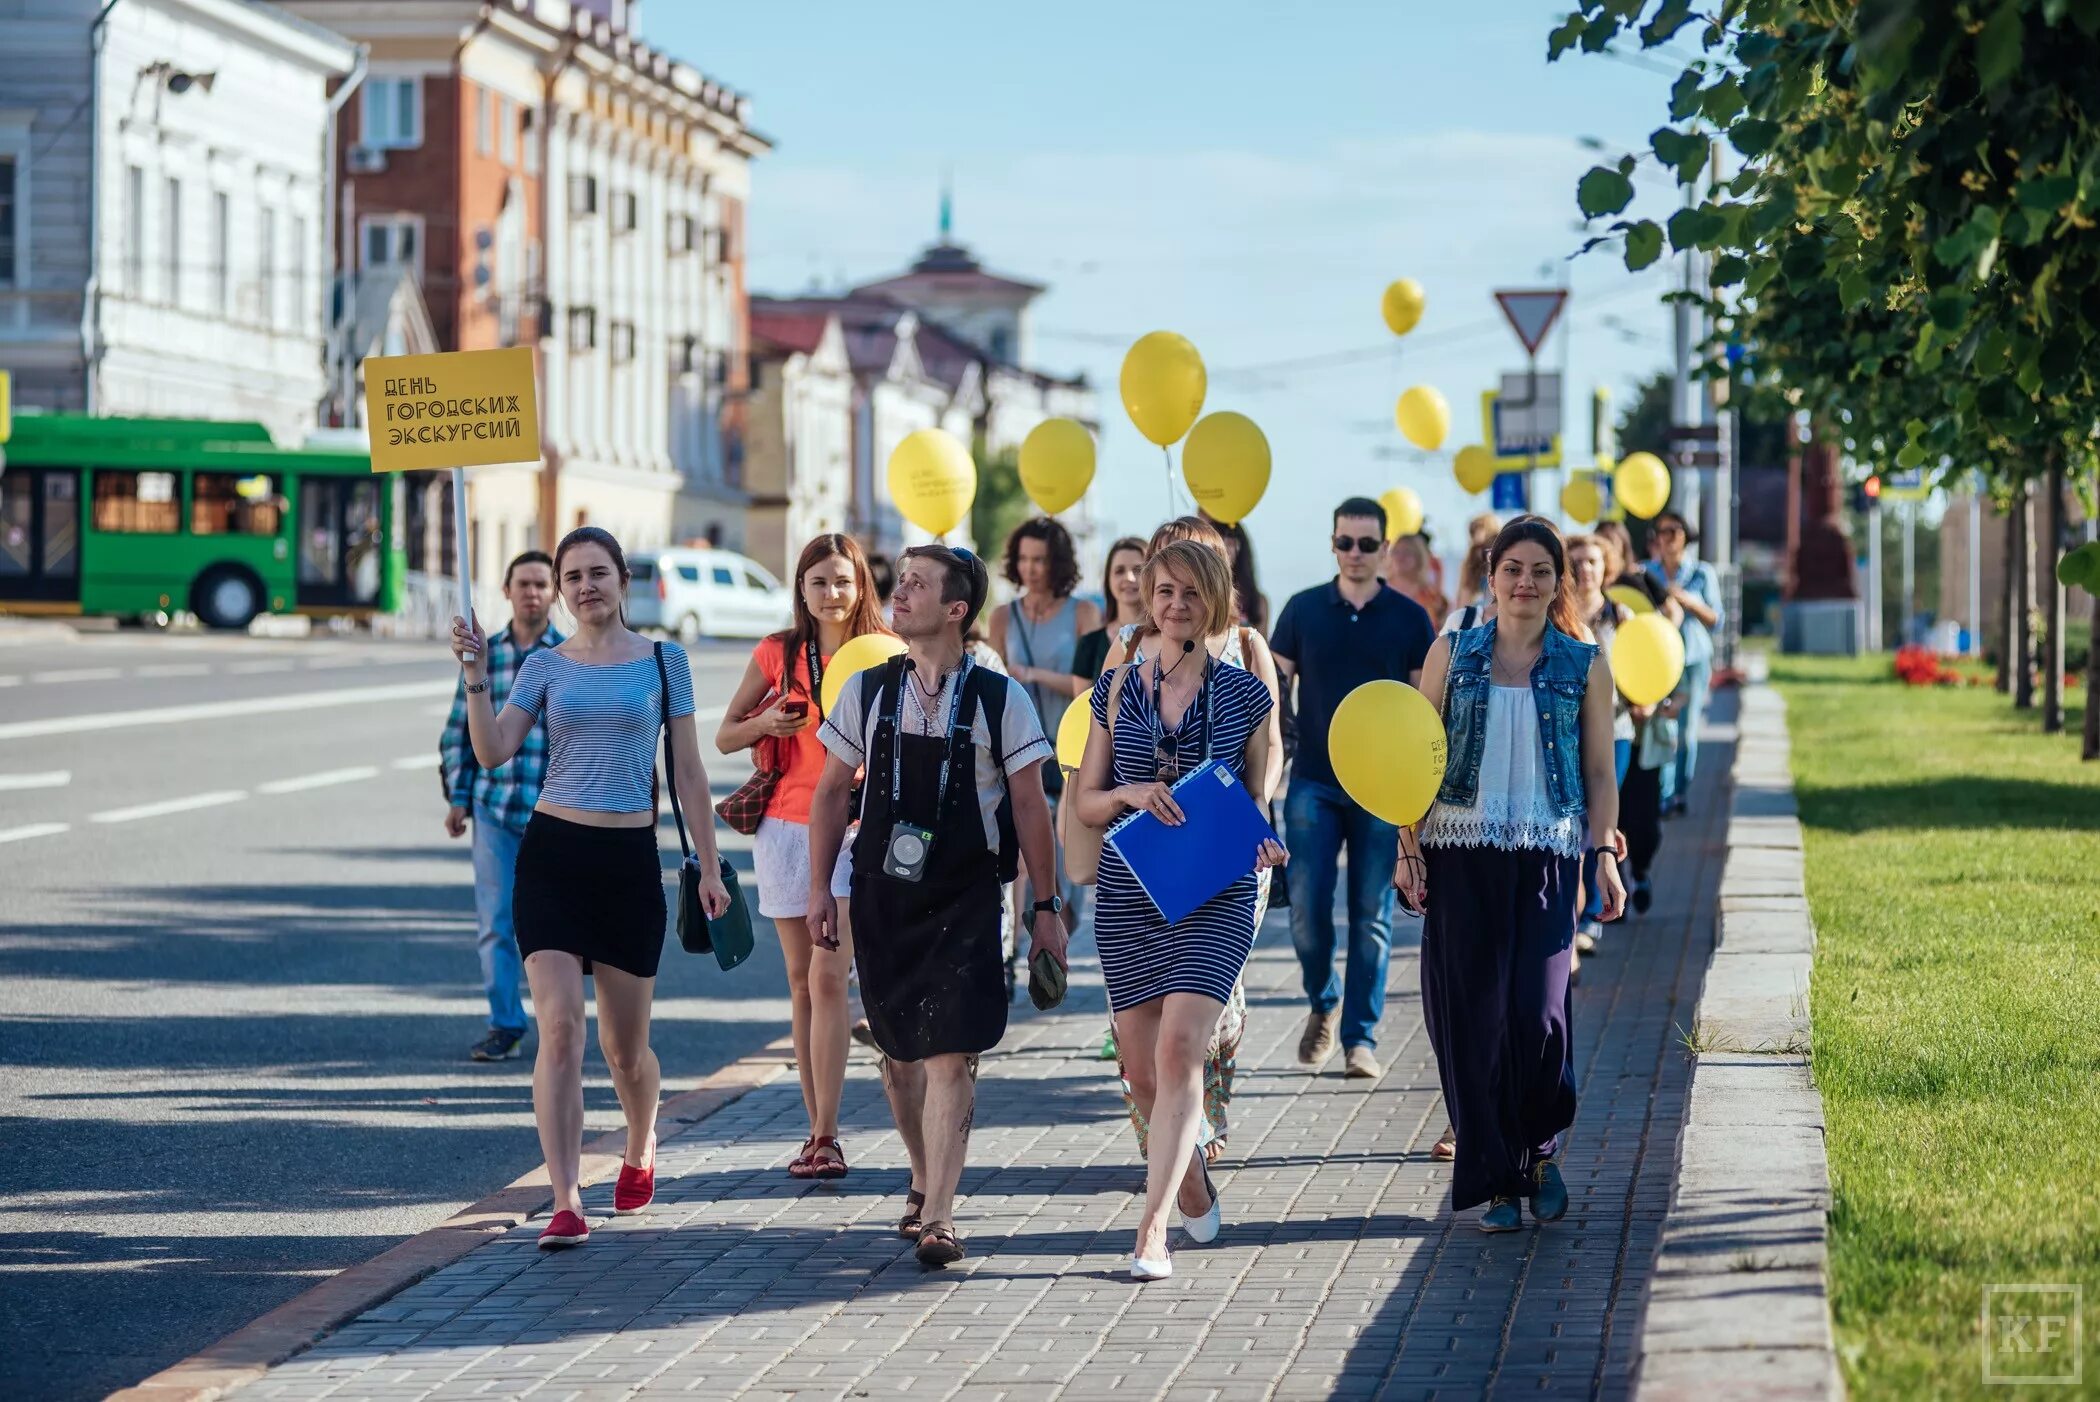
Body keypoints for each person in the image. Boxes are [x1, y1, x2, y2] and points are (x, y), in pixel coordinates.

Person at [451, 526, 731, 1249]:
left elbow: (692, 774)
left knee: (624, 1049)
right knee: (560, 1030)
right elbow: (491, 749)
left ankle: (640, 1143)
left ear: (622, 581)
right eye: (572, 576)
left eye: (597, 573)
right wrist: (474, 674)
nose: (584, 587)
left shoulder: (666, 663)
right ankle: (567, 1198)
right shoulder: (544, 667)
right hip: (552, 859)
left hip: (628, 863)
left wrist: (707, 861)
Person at [807, 544, 1064, 1269]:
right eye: (903, 580)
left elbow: (1030, 806)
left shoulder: (998, 696)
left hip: (967, 898)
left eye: (917, 584)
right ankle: (923, 1175)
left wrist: (1046, 908)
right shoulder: (870, 691)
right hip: (882, 899)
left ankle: (942, 1216)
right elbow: (830, 794)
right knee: (900, 1054)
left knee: (953, 1054)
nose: (901, 591)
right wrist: (820, 890)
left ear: (957, 609)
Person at [1402, 515, 1624, 1232]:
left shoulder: (1583, 663)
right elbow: (1410, 760)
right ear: (1490, 577)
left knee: (1538, 1011)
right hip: (1459, 855)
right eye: (1512, 569)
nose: (1525, 583)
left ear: (1559, 583)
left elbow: (1598, 769)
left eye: (1540, 571)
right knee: (1473, 1020)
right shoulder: (1450, 653)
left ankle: (1541, 1147)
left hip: (1549, 857)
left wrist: (1605, 857)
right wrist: (1408, 851)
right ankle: (1497, 1178)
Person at [1072, 539, 1285, 1280]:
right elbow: (1086, 799)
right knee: (1139, 1074)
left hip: (1215, 892)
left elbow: (1255, 802)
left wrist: (1266, 843)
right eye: (1164, 591)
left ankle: (1151, 1230)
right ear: (1148, 597)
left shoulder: (1246, 695)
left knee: (1178, 1051)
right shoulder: (1116, 689)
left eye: (1191, 594)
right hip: (1131, 890)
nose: (1175, 604)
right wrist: (1128, 795)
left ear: (1214, 600)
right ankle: (1188, 1179)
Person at [716, 534, 889, 1181]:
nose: (832, 593)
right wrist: (767, 724)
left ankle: (828, 1134)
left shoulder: (884, 652)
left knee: (827, 978)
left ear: (861, 585)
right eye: (819, 582)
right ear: (801, 589)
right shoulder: (779, 652)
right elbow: (726, 734)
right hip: (785, 828)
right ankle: (814, 1129)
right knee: (798, 981)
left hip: (852, 826)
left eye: (843, 581)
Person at [1270, 497, 1436, 1081]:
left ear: (1386, 548)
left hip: (1384, 792)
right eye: (1346, 543)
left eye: (1368, 544)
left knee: (1372, 915)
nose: (1357, 554)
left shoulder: (1411, 619)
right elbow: (1270, 687)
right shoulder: (1303, 609)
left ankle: (1360, 1038)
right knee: (1307, 913)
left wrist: (1418, 802)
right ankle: (1322, 998)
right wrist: (1276, 749)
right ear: (1333, 544)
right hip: (1313, 778)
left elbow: (1425, 710)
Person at [440, 550, 561, 1062]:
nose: (532, 593)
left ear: (554, 593)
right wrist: (459, 798)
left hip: (557, 816)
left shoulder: (571, 654)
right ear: (507, 591)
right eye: (523, 584)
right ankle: (505, 1023)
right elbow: (459, 732)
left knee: (557, 928)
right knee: (495, 923)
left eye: (541, 584)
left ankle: (559, 1026)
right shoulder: (483, 653)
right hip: (494, 811)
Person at [1564, 534, 1633, 960]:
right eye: (1577, 562)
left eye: (1592, 561)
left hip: (1616, 728)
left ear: (1604, 566)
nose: (1585, 569)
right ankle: (1575, 917)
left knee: (1598, 824)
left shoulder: (1618, 615)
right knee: (1576, 825)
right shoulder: (1562, 616)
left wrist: (1639, 701)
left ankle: (1591, 915)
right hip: (1572, 732)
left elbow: (1638, 665)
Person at [1642, 510, 1720, 815]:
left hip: (1693, 659)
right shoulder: (1647, 571)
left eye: (1674, 531)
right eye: (1661, 532)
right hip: (1659, 658)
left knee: (1687, 729)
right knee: (1661, 724)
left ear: (1686, 536)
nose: (1667, 538)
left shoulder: (1702, 573)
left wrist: (1687, 601)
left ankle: (1680, 792)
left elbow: (1716, 619)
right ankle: (1662, 792)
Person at [1073, 536, 1150, 681]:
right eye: (1119, 571)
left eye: (1137, 570)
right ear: (1108, 580)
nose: (1129, 577)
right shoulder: (1089, 644)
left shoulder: (1168, 639)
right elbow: (1081, 703)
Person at [1209, 517, 1271, 632]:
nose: (1224, 549)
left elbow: (1263, 645)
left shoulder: (1258, 602)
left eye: (1230, 543)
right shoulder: (1198, 595)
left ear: (1240, 548)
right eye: (1218, 542)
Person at [1386, 533, 1451, 623]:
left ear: (1419, 557)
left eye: (1407, 552)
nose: (1400, 557)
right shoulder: (1378, 591)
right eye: (1396, 551)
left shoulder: (1432, 597)